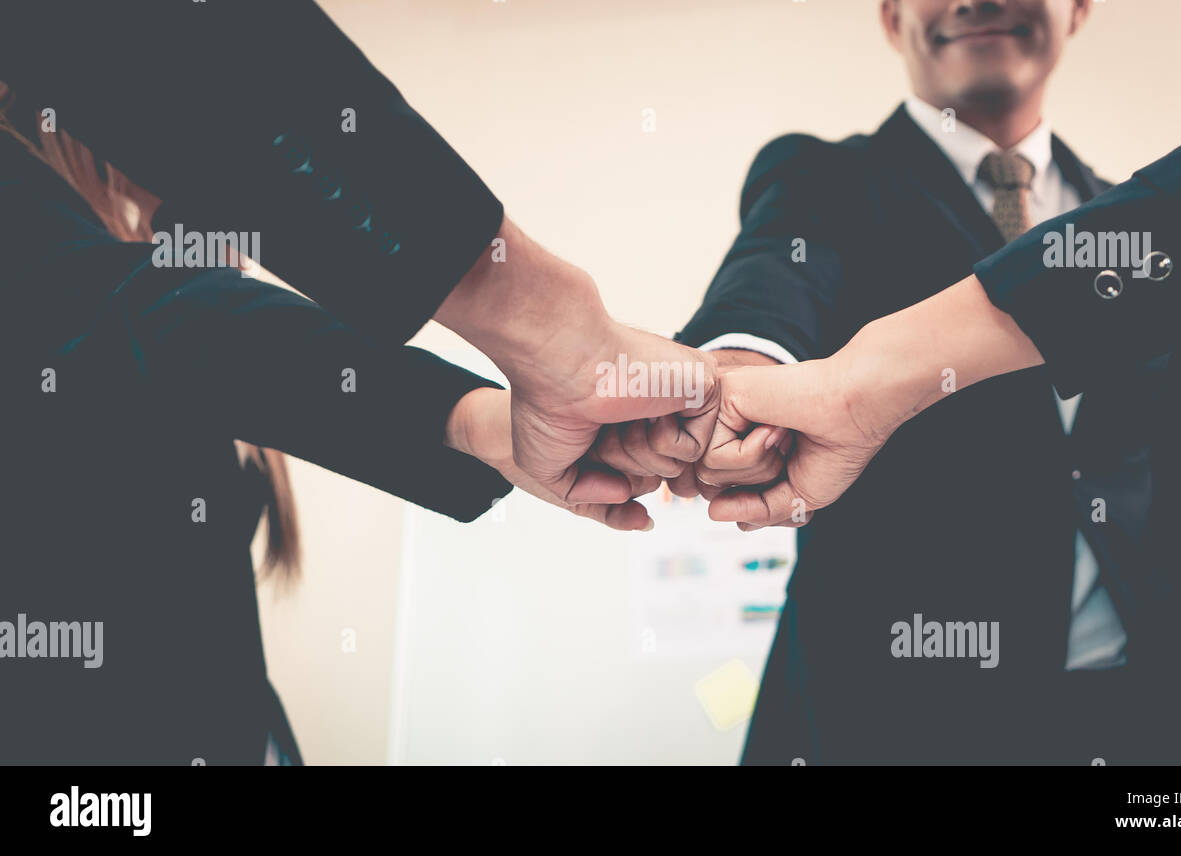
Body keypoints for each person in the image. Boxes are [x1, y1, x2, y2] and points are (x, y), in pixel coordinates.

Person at [1, 1, 707, 763]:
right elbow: (158, 315)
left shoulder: (142, 282)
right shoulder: (82, 279)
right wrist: (531, 351)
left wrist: (497, 412)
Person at [672, 0, 1181, 763]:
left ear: (1079, 9)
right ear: (892, 18)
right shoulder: (824, 180)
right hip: (893, 716)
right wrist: (741, 365)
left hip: (1142, 718)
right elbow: (771, 279)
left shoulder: (1147, 226)